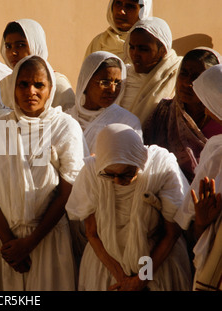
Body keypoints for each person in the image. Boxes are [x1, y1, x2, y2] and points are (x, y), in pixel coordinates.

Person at [0, 55, 88, 291]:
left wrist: (30, 243)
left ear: (50, 89)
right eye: (23, 84)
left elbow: (67, 192)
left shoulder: (64, 127)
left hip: (46, 239)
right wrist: (11, 244)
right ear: (13, 86)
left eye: (38, 85)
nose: (30, 91)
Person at [66, 123, 192, 291]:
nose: (118, 181)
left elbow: (171, 233)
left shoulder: (160, 169)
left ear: (139, 161)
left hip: (156, 262)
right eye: (110, 175)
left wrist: (142, 278)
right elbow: (92, 233)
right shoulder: (92, 173)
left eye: (127, 173)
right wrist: (123, 279)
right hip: (106, 265)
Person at [174, 64, 222, 291]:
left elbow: (193, 209)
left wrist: (198, 220)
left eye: (206, 101)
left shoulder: (217, 150)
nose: (203, 108)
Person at [143, 47, 222, 182]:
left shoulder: (218, 119)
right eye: (184, 73)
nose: (187, 83)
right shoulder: (164, 112)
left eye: (197, 77)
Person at [66, 51, 141, 154]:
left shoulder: (126, 123)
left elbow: (132, 163)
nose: (113, 90)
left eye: (118, 83)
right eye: (105, 82)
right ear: (86, 82)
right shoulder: (65, 119)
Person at [0, 19, 75, 110]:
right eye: (8, 46)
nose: (13, 53)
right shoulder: (3, 85)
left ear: (37, 45)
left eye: (20, 45)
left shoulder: (58, 84)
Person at [119, 17, 182, 126]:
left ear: (163, 50)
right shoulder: (122, 76)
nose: (135, 54)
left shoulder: (177, 73)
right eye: (132, 47)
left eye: (143, 49)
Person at [84, 0, 153, 62]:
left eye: (130, 6)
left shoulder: (148, 45)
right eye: (118, 3)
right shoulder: (99, 42)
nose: (121, 11)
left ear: (143, 11)